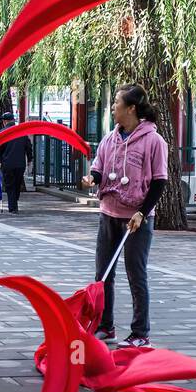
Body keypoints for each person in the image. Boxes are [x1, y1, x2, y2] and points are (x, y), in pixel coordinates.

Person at [80, 85, 169, 347]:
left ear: (131, 108)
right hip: (109, 214)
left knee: (136, 275)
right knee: (103, 274)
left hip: (136, 220)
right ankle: (106, 327)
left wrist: (142, 212)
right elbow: (99, 167)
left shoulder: (154, 141)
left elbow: (159, 181)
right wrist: (91, 178)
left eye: (117, 103)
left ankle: (141, 332)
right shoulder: (110, 139)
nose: (113, 107)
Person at [0, 111, 33, 214]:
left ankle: (13, 207)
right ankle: (14, 203)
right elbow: (28, 147)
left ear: (5, 121)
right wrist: (30, 159)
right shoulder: (21, 132)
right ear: (13, 120)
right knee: (16, 184)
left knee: (10, 185)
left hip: (7, 163)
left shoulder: (2, 132)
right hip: (20, 164)